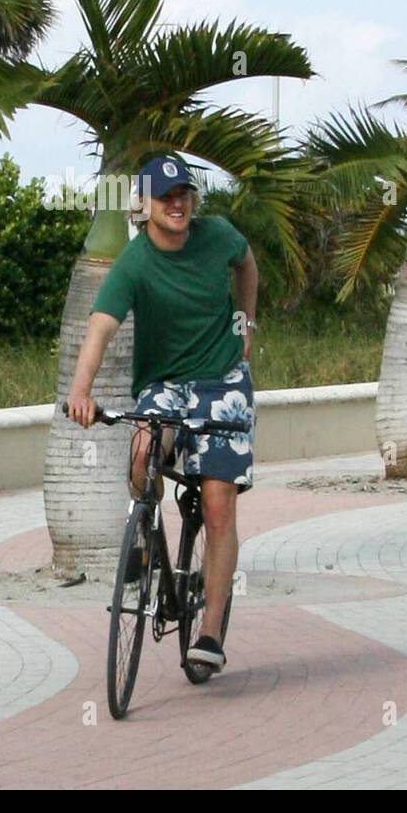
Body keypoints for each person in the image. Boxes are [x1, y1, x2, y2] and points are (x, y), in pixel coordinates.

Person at [65, 155, 258, 672]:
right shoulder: (135, 261)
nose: (177, 204)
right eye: (165, 196)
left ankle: (211, 633)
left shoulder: (217, 235)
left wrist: (245, 325)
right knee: (144, 452)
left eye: (184, 194)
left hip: (222, 381)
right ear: (144, 204)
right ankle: (147, 535)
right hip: (165, 385)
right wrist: (81, 390)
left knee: (218, 503)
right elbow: (102, 325)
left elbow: (246, 263)